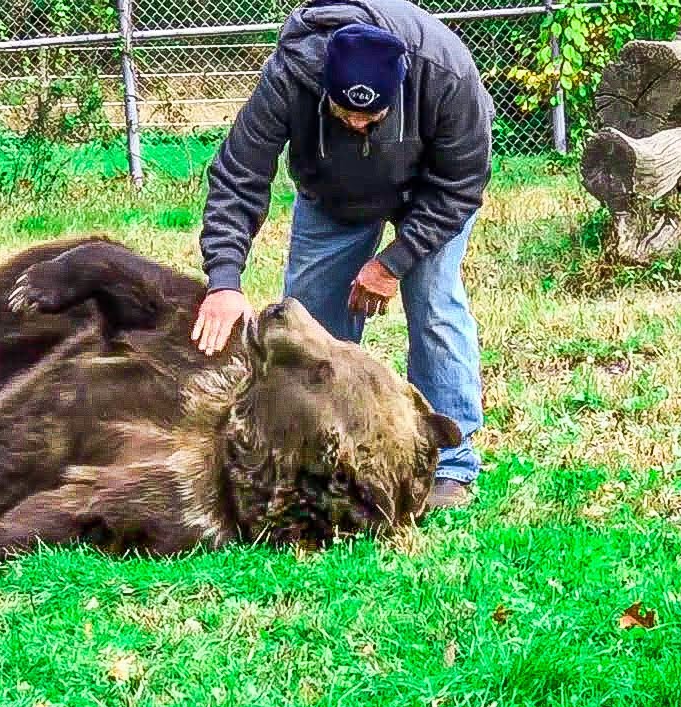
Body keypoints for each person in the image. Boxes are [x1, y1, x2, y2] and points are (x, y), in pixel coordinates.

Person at [189, 0, 495, 510]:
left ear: (400, 86)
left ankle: (451, 463)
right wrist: (224, 280)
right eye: (344, 110)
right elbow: (240, 176)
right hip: (335, 194)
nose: (355, 122)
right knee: (309, 327)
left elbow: (461, 185)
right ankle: (315, 452)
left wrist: (394, 263)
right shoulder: (291, 75)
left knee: (435, 305)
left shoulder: (446, 73)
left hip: (431, 192)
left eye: (371, 114)